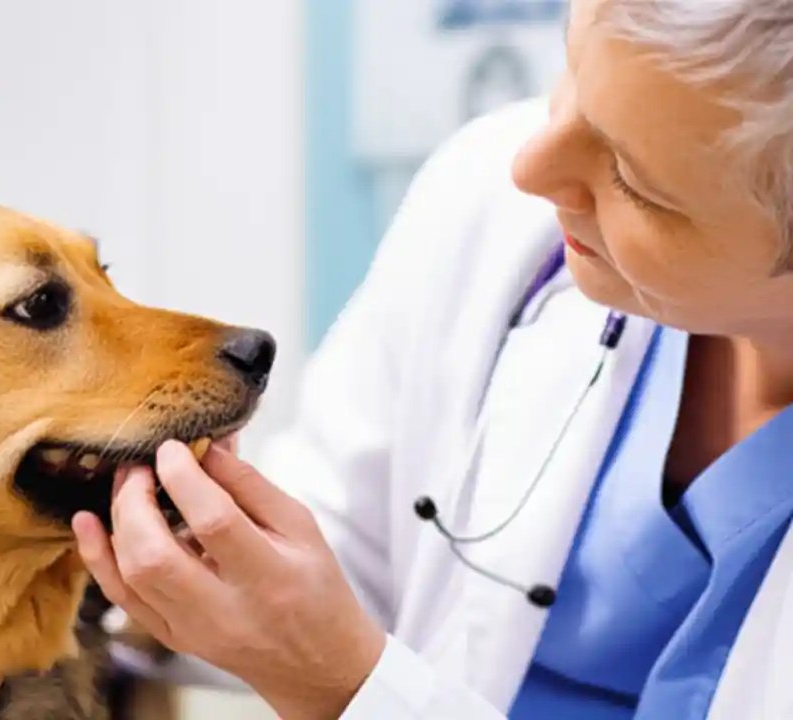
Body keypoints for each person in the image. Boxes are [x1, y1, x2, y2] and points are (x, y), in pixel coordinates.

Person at [71, 0, 793, 718]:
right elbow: (337, 540)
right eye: (571, 71)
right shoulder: (487, 211)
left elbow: (327, 654)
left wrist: (344, 687)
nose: (529, 167)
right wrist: (166, 566)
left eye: (633, 181)